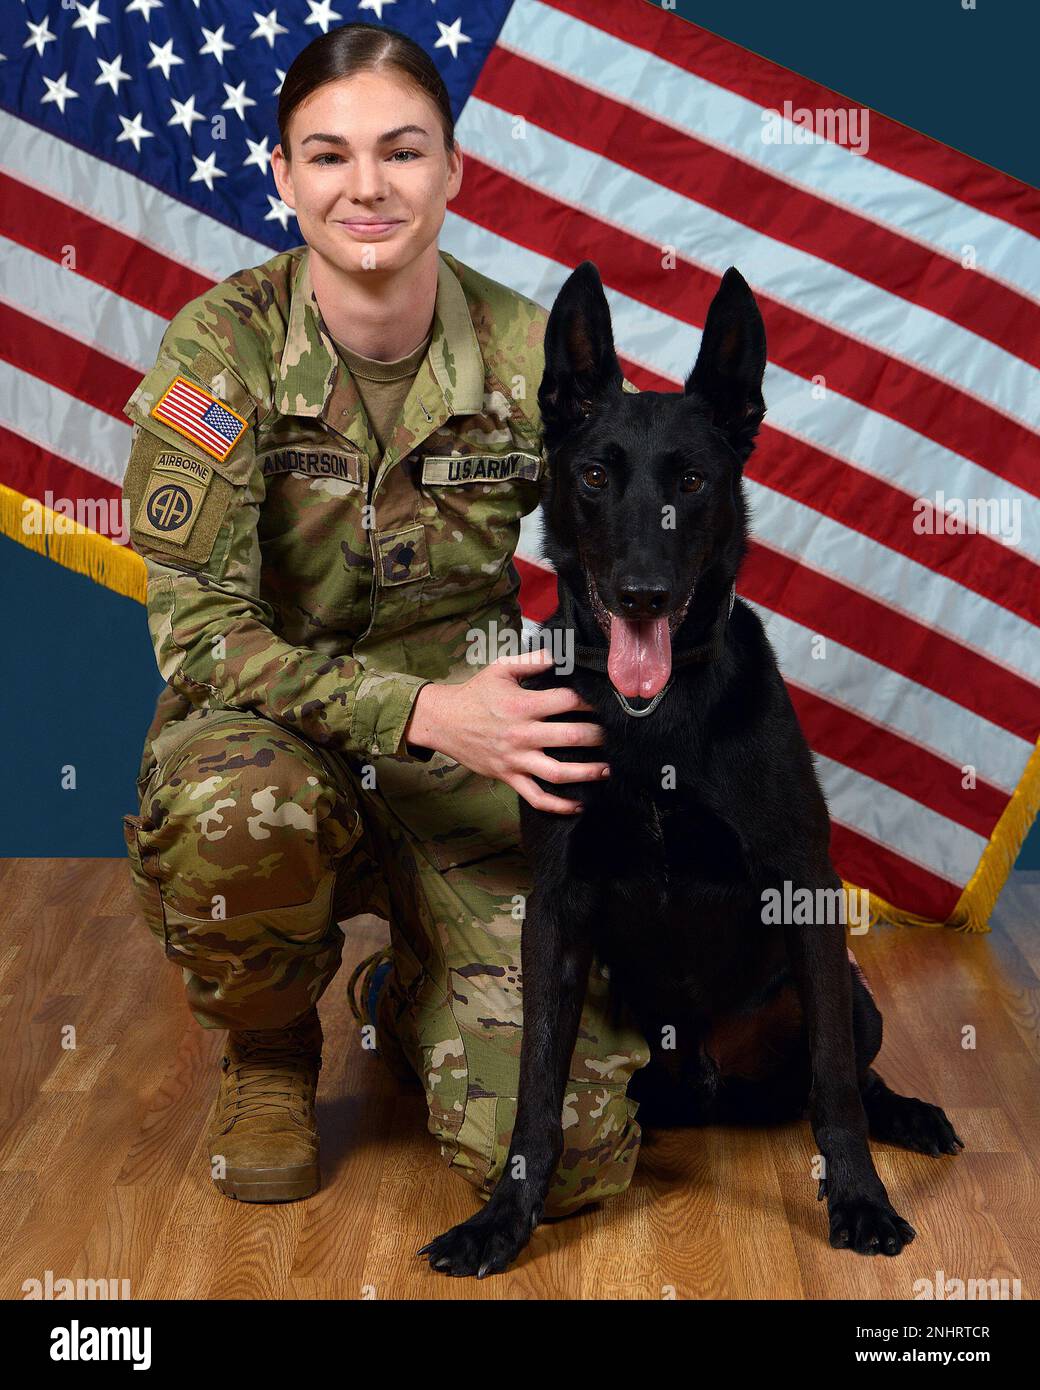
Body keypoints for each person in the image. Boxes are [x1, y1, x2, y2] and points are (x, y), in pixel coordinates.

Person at [121, 22, 649, 1212]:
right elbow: (200, 631)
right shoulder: (223, 353)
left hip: (477, 735)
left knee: (561, 1157)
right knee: (235, 811)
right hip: (273, 723)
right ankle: (268, 1046)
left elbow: (622, 559)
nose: (366, 187)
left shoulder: (529, 358)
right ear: (282, 177)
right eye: (328, 155)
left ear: (454, 171)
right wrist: (419, 712)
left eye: (402, 152)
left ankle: (416, 993)